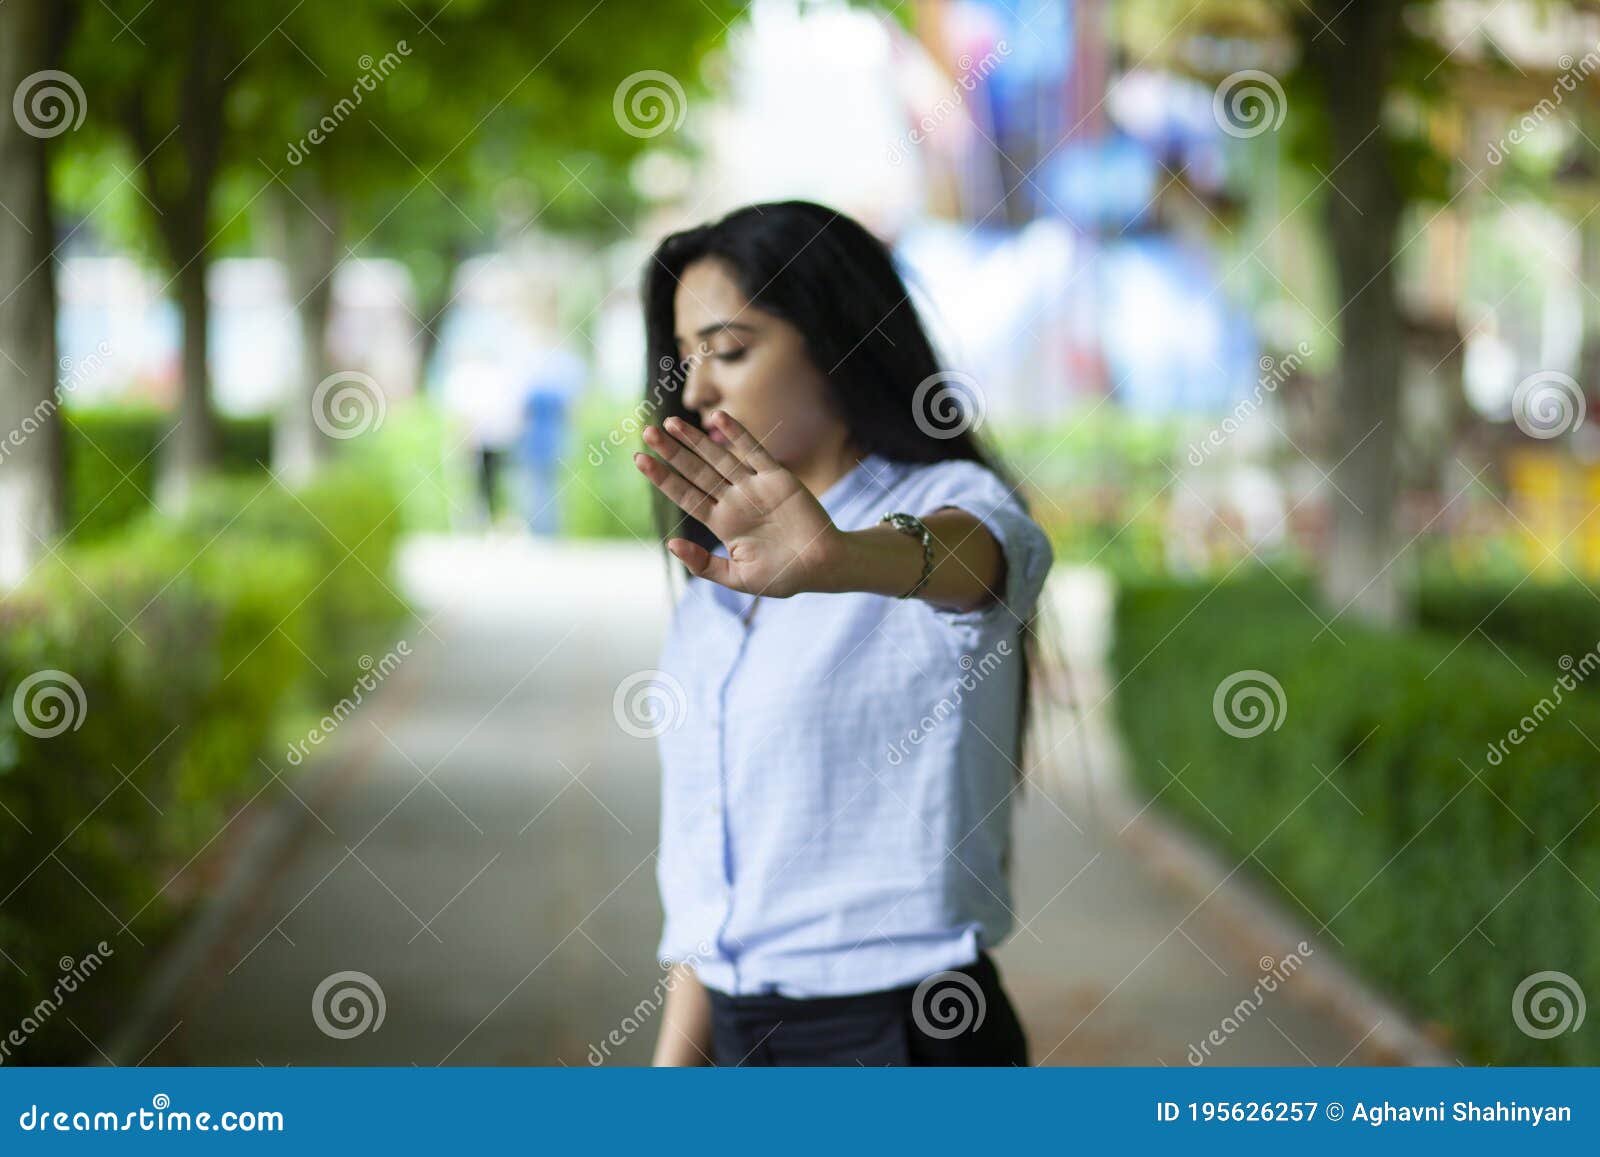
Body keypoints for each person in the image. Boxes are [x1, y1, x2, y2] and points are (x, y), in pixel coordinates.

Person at [632, 200, 1054, 1067]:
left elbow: (973, 559)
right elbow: (708, 903)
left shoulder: (950, 507)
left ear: (836, 343)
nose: (700, 388)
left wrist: (843, 556)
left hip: (900, 1037)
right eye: (685, 360)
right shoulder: (719, 584)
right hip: (741, 1040)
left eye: (731, 349)